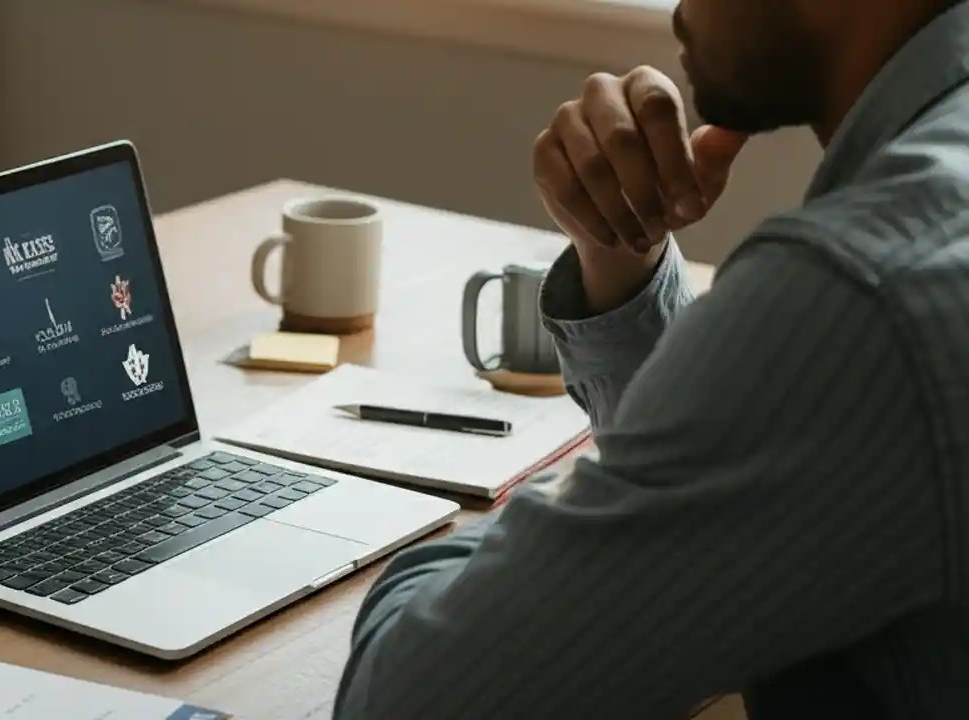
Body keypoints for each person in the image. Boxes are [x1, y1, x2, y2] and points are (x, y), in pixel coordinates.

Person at [334, 0, 969, 717]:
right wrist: (620, 262)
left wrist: (581, 521)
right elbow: (756, 504)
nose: (678, 8)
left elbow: (405, 701)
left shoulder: (863, 293)